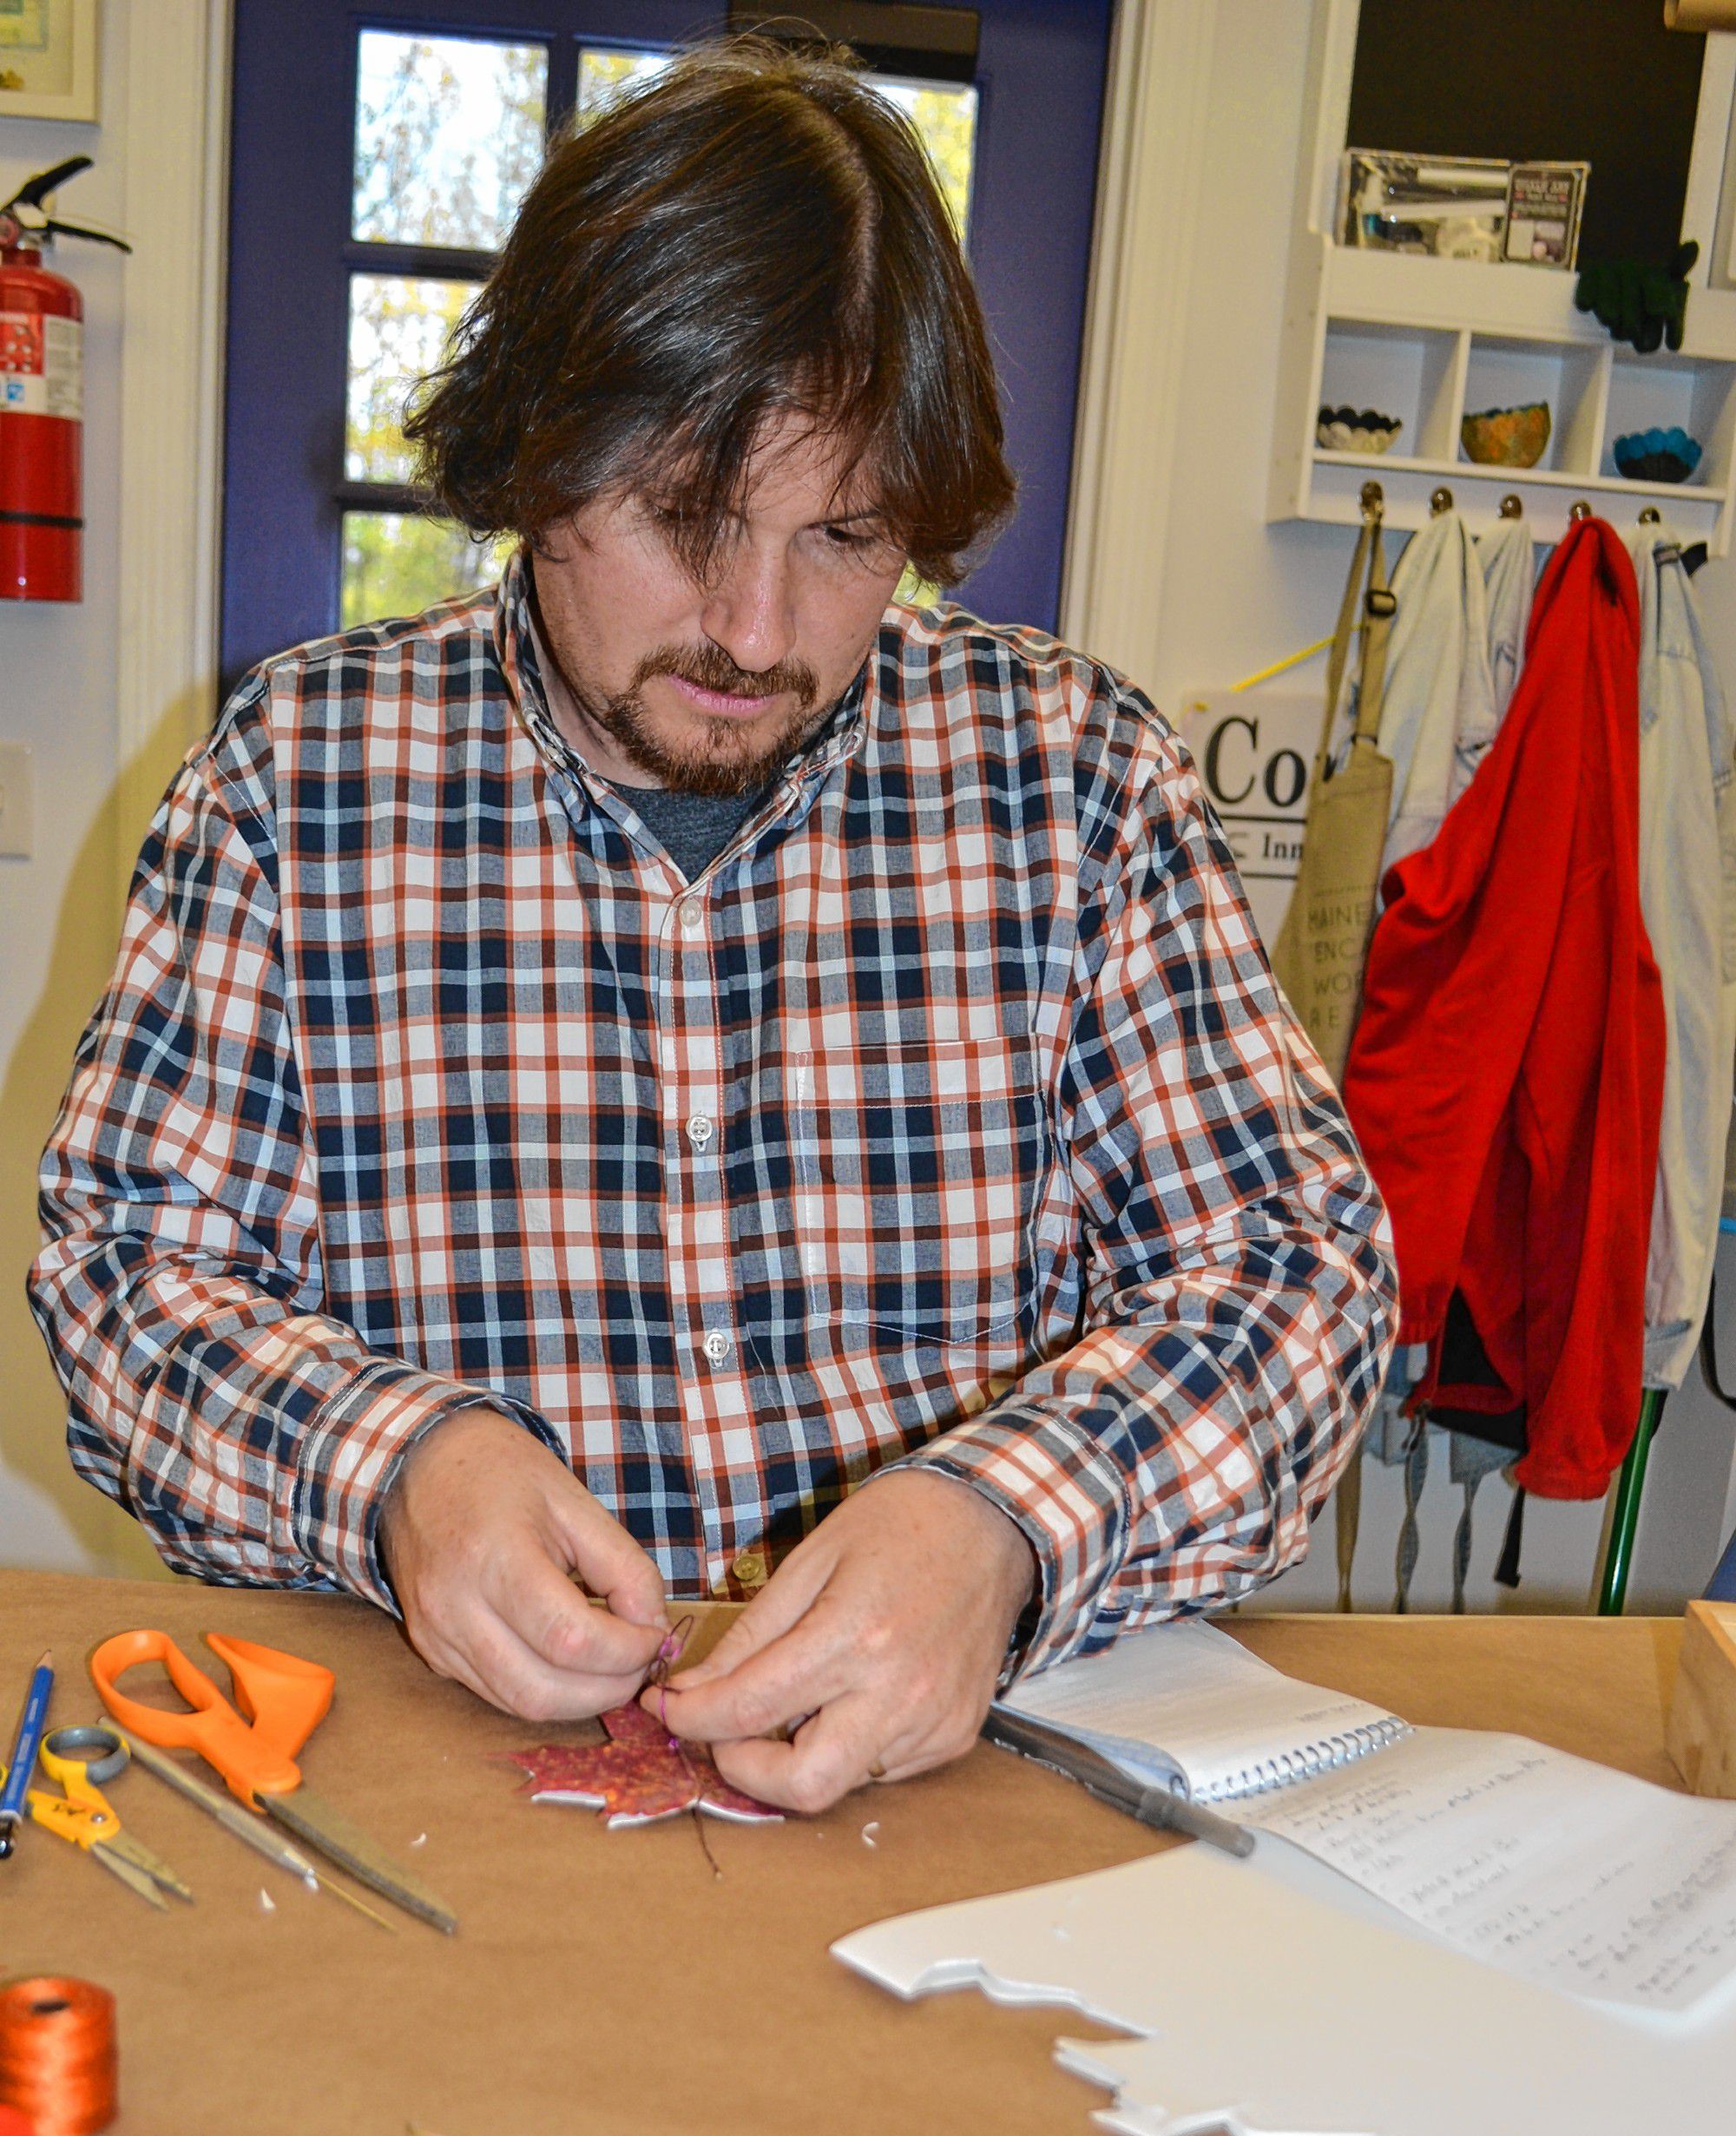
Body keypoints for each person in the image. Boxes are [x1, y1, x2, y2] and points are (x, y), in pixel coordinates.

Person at [31, 42, 1396, 1813]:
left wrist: (1008, 1524)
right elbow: (128, 1273)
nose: (755, 627)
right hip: (448, 1798)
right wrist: (394, 1472)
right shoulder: (294, 782)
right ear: (535, 455)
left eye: (844, 536)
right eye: (683, 517)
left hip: (953, 1789)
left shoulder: (1073, 783)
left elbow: (1300, 1268)